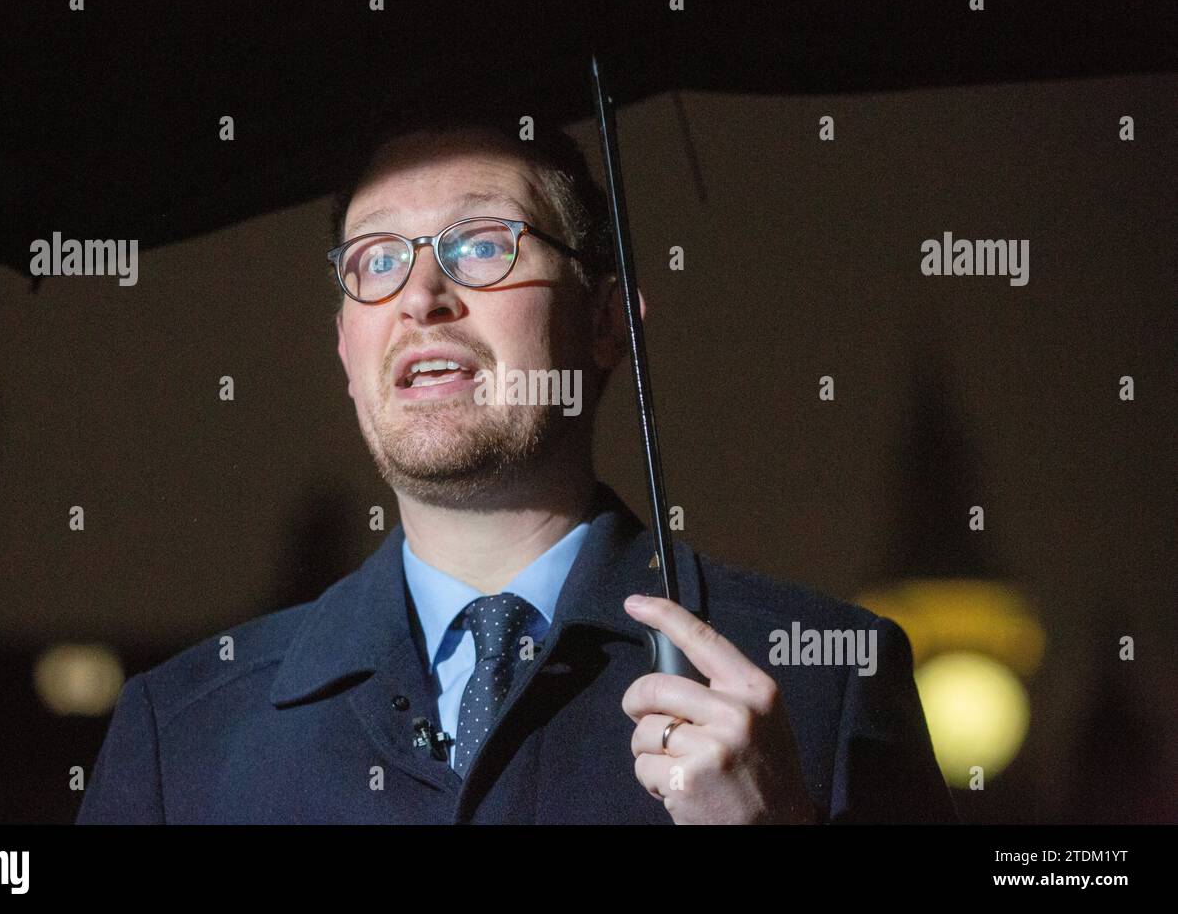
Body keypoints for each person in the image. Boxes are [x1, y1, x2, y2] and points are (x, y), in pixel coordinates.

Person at [77, 117, 956, 824]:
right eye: (376, 260)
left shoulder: (822, 683)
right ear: (347, 349)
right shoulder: (184, 732)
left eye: (483, 243)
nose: (422, 297)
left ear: (608, 323)